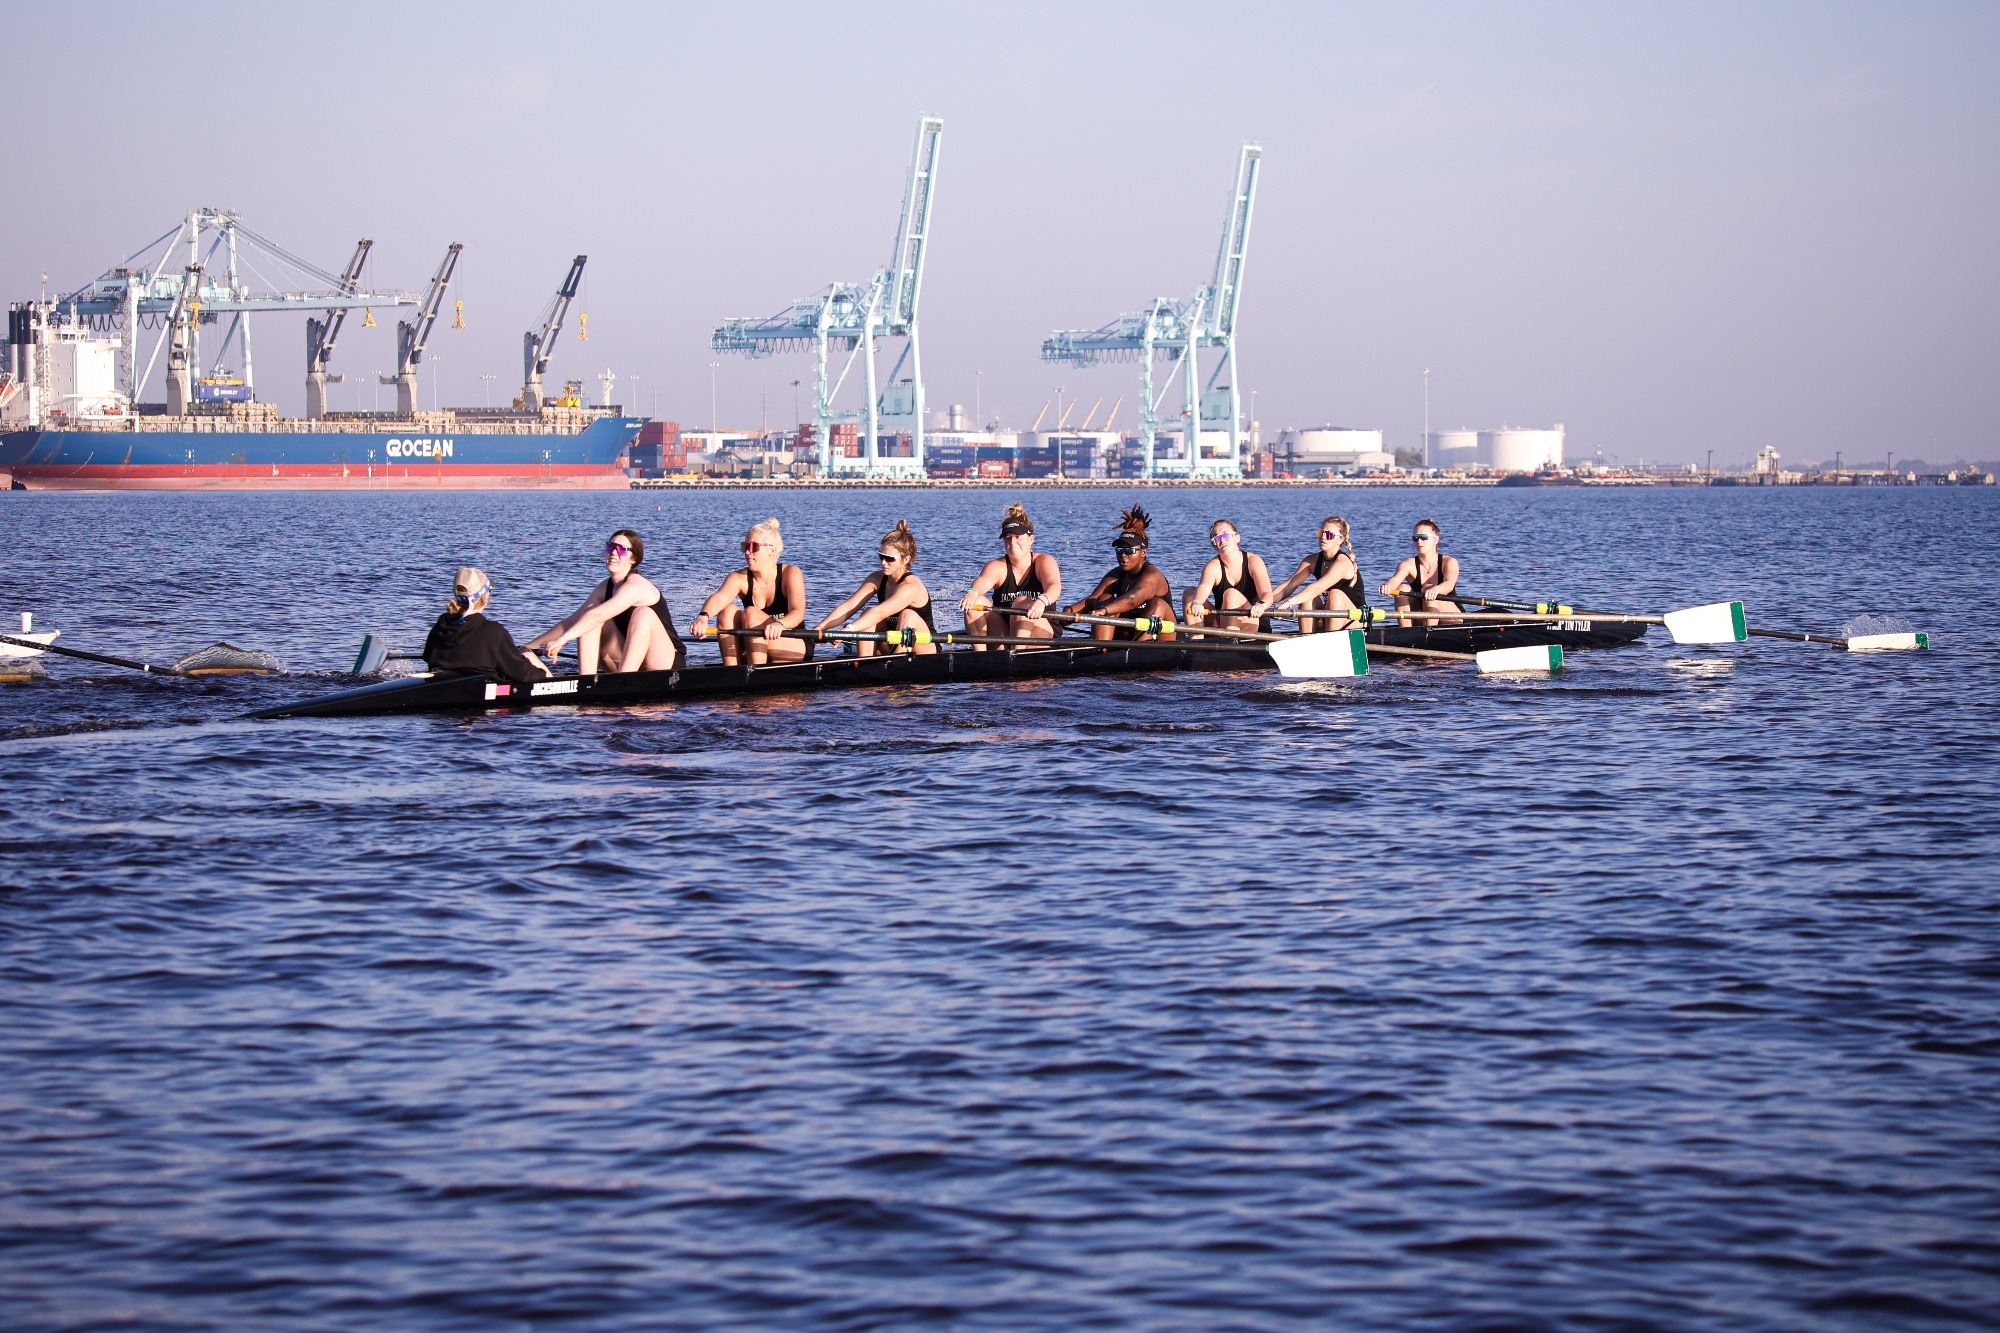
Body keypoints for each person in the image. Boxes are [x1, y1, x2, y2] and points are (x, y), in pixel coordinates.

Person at [526, 529, 682, 673]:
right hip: (630, 658)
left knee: (642, 614)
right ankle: (586, 684)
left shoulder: (637, 585)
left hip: (664, 662)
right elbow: (575, 619)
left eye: (621, 549)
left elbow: (598, 616)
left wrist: (563, 639)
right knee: (587, 616)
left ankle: (624, 681)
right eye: (610, 547)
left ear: (633, 558)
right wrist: (533, 644)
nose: (614, 553)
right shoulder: (605, 587)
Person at [692, 517, 811, 665]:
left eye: (754, 547)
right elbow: (720, 598)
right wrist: (703, 617)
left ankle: (755, 675)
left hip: (792, 642)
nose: (748, 553)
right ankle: (732, 673)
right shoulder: (738, 578)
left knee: (751, 613)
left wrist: (780, 624)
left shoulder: (790, 573)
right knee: (726, 611)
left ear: (771, 550)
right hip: (756, 642)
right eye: (745, 547)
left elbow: (798, 612)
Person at [815, 518, 937, 657]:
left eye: (889, 559)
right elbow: (849, 606)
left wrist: (848, 630)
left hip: (924, 648)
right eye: (881, 556)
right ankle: (864, 665)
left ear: (906, 559)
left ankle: (896, 664)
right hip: (892, 642)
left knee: (907, 615)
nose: (884, 562)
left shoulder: (911, 586)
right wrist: (820, 629)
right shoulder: (876, 578)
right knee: (867, 615)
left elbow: (880, 612)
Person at [423, 566, 551, 683]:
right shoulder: (494, 632)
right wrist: (541, 670)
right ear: (485, 596)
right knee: (528, 656)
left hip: (447, 687)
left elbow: (428, 657)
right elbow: (526, 675)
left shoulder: (440, 627)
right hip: (480, 694)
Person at [960, 502, 1063, 647]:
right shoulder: (997, 566)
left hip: (1040, 632)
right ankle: (980, 659)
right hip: (1005, 634)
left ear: (1031, 539)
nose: (1012, 542)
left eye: (1017, 537)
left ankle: (1016, 657)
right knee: (976, 602)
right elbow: (983, 581)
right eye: (1007, 538)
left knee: (1023, 601)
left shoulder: (1044, 561)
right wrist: (972, 592)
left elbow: (1054, 586)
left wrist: (1041, 602)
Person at [1067, 504, 1175, 641]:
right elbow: (1091, 600)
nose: (1123, 555)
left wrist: (1105, 610)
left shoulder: (1152, 576)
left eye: (1129, 551)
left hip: (1162, 635)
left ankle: (1137, 652)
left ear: (1143, 552)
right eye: (1119, 550)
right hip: (1130, 633)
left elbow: (1132, 600)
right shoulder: (1116, 575)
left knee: (1157, 604)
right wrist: (1068, 612)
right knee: (1103, 599)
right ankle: (1102, 651)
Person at [1261, 515, 1368, 628]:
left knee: (1334, 594)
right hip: (1332, 617)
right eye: (1322, 533)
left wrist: (1288, 603)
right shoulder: (1311, 561)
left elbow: (1317, 588)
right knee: (1307, 598)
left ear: (1341, 539)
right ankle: (1307, 638)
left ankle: (1331, 639)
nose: (1324, 537)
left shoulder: (1343, 563)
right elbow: (1287, 586)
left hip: (1356, 621)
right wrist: (1262, 602)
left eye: (1330, 535)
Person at [1183, 518, 1273, 634]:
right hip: (1222, 624)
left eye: (1225, 535)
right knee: (1189, 594)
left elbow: (1267, 594)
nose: (1222, 540)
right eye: (1216, 538)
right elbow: (1203, 588)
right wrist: (1196, 603)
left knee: (1231, 594)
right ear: (1214, 546)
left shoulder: (1254, 561)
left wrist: (1261, 605)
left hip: (1254, 623)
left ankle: (1229, 645)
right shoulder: (1212, 566)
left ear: (1237, 538)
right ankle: (1196, 645)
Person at [1380, 517, 1461, 625]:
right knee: (1402, 589)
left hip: (1451, 617)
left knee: (1428, 588)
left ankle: (1429, 633)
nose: (1419, 541)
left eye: (1423, 537)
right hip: (1421, 615)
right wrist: (1388, 586)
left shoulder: (1449, 562)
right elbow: (1395, 580)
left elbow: (1449, 584)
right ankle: (1406, 633)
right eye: (1415, 538)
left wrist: (1436, 589)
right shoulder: (1408, 564)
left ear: (1436, 540)